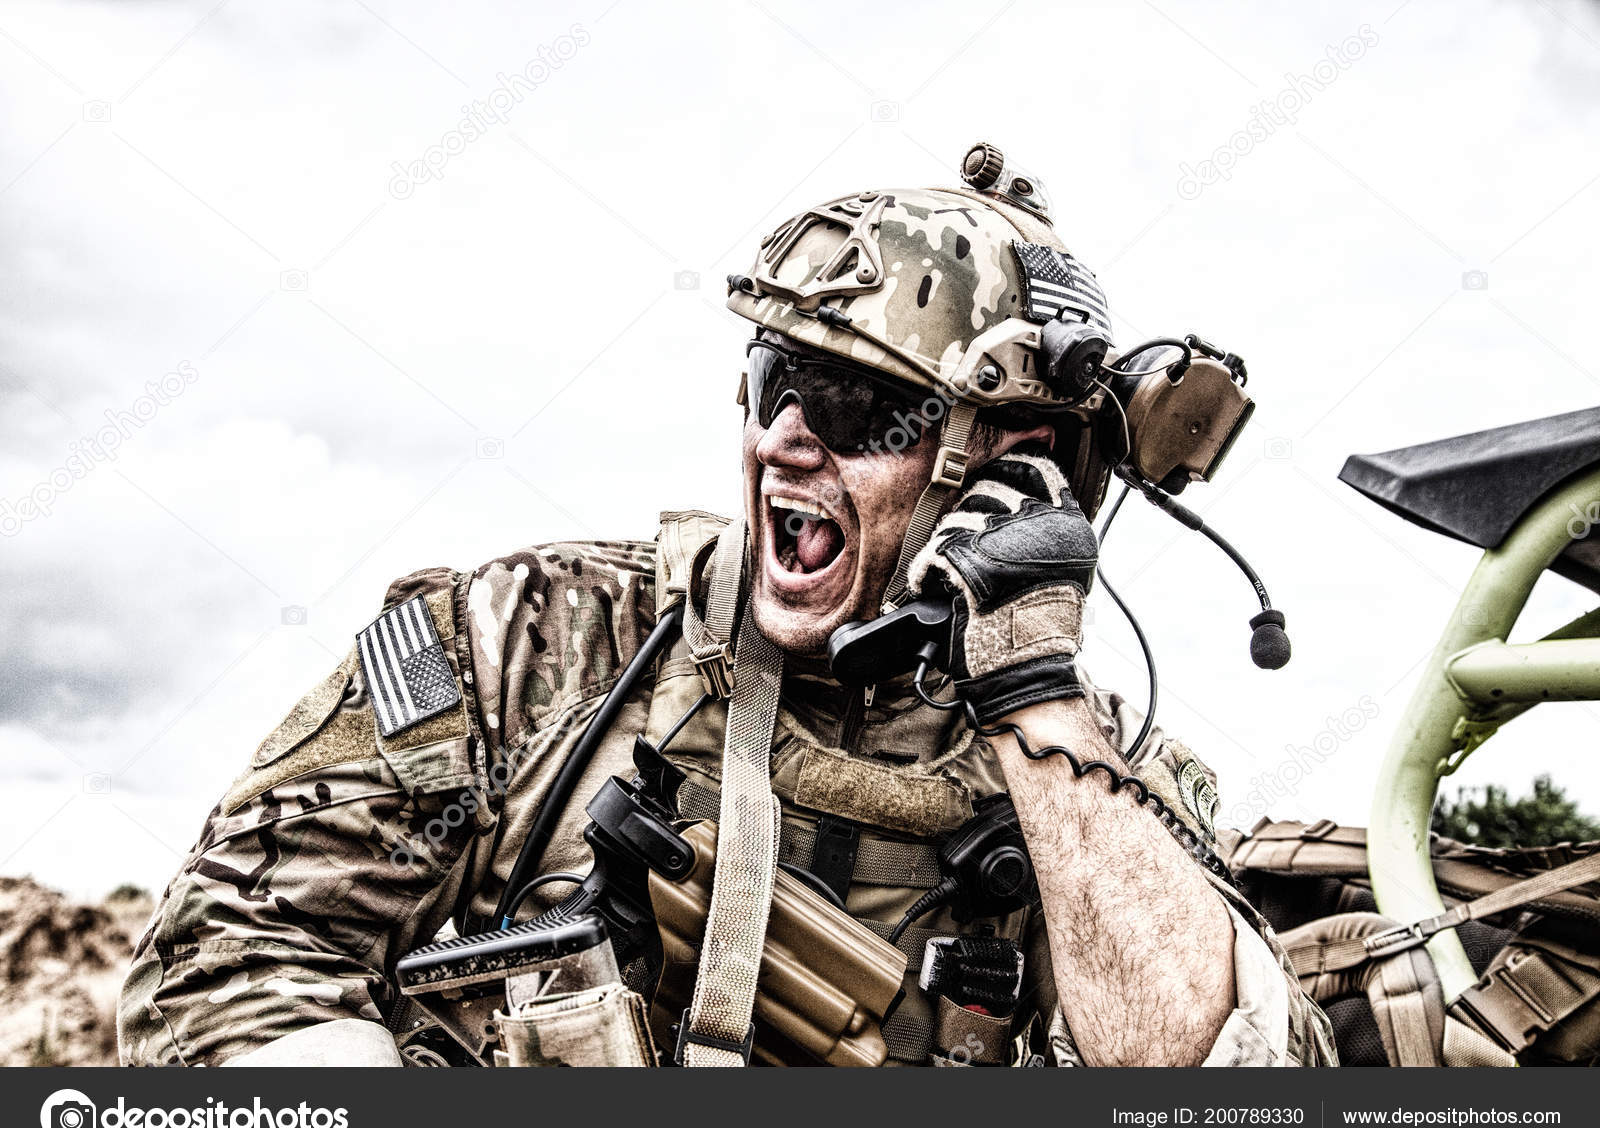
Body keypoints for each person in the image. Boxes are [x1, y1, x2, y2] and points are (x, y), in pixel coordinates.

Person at [118, 145, 1335, 1068]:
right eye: (774, 380)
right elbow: (223, 957)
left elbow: (1239, 1083)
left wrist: (1030, 694)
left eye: (861, 407)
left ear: (1010, 464)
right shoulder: (523, 638)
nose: (785, 438)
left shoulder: (1105, 780)